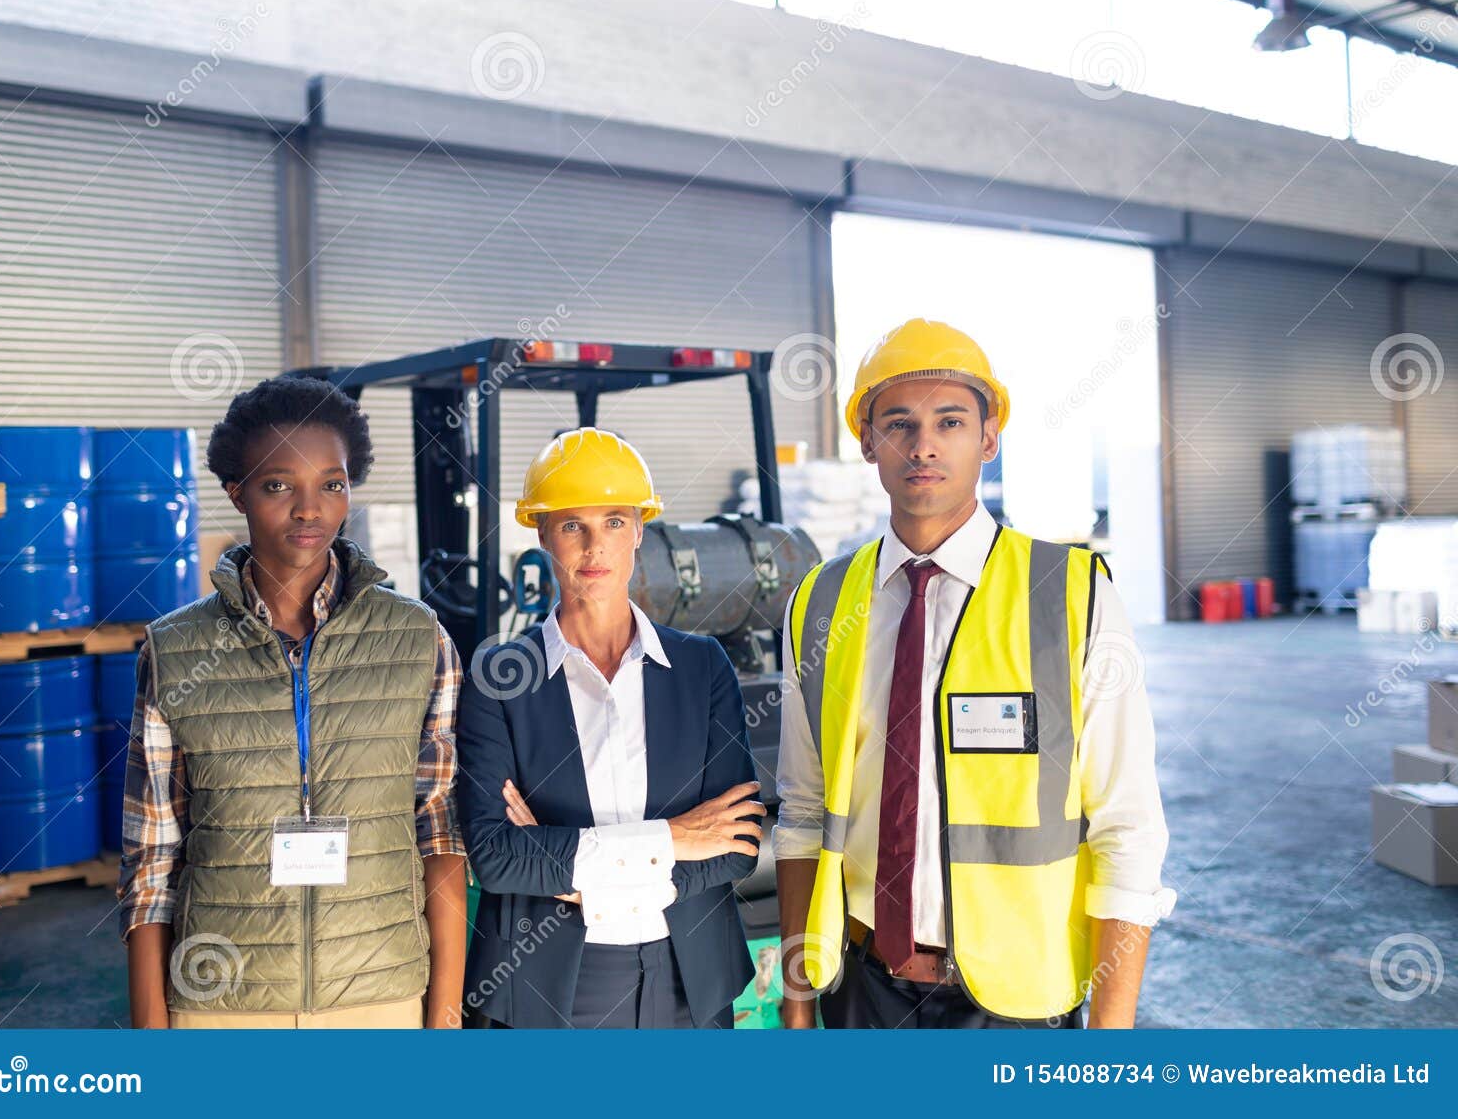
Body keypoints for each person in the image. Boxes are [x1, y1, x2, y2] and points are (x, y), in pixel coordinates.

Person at [774, 319, 1175, 1030]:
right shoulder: (821, 603)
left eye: (950, 422)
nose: (923, 445)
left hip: (1017, 1001)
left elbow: (1128, 826)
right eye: (899, 423)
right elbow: (803, 812)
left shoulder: (1071, 595)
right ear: (866, 442)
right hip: (860, 987)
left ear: (989, 438)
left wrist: (1112, 1037)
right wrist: (799, 993)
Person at [116, 375, 468, 1029]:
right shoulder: (175, 650)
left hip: (381, 996)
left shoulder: (419, 638)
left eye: (332, 484)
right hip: (222, 1007)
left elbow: (440, 832)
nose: (310, 510)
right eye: (280, 485)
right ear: (237, 492)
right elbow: (151, 858)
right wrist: (150, 1030)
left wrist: (445, 1014)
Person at [457, 427, 764, 1028]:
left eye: (615, 522)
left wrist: (576, 871)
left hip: (688, 980)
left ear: (640, 530)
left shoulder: (702, 667)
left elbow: (738, 843)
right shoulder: (500, 676)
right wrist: (673, 838)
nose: (595, 546)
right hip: (552, 985)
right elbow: (496, 856)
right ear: (542, 533)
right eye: (573, 525)